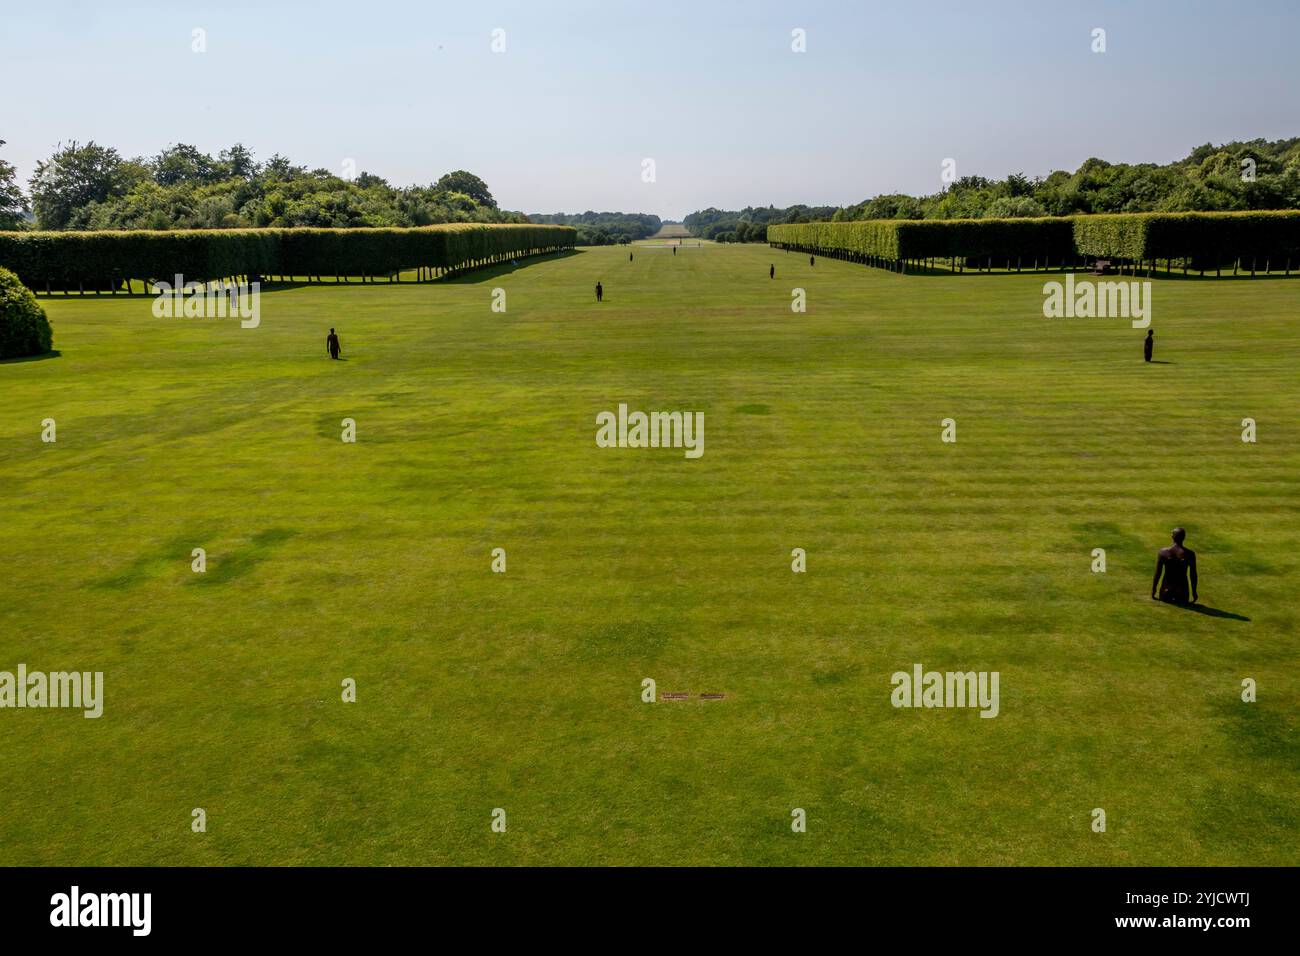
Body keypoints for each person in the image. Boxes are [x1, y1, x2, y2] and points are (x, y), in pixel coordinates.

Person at [1152, 527, 1198, 605]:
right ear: (1184, 538)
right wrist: (1194, 592)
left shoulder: (1163, 552)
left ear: (1172, 537)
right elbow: (1193, 575)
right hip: (1182, 592)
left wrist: (1153, 589)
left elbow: (1158, 573)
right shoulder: (1190, 554)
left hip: (1166, 590)